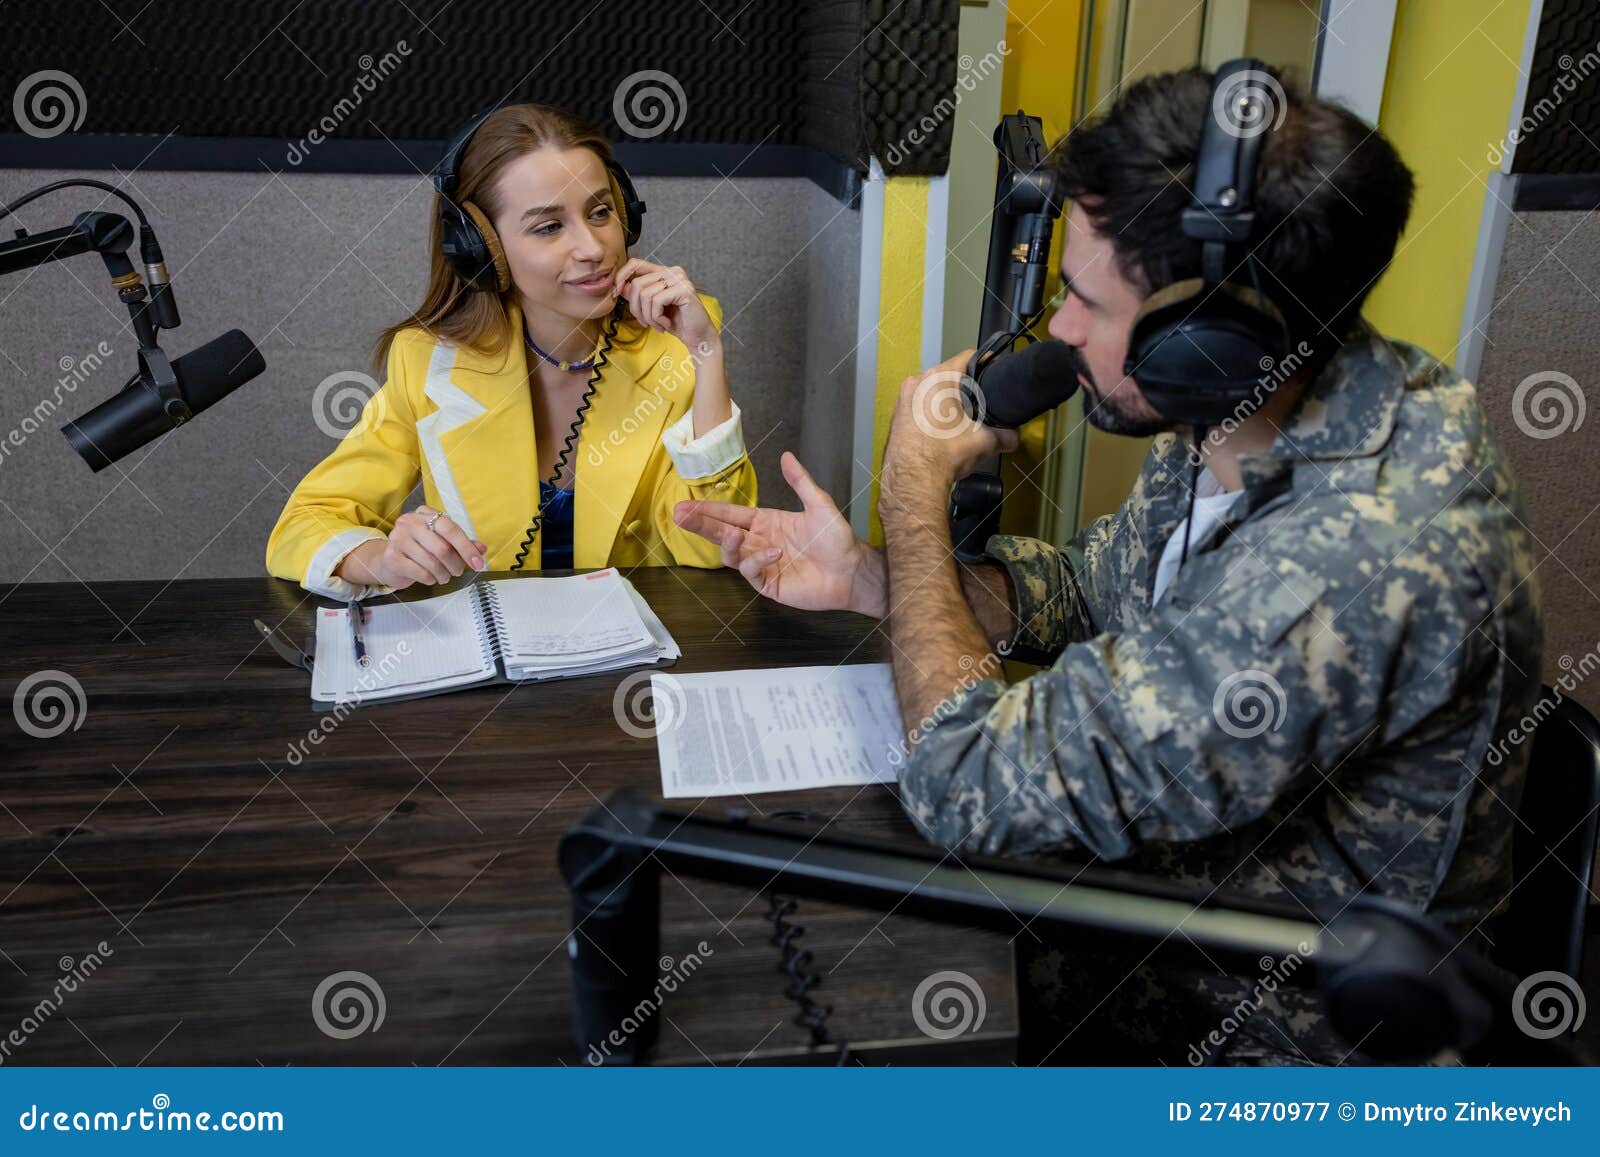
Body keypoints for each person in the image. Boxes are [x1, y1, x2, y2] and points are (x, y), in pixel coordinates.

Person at [673, 65, 1543, 1065]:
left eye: (1086, 302)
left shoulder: (1348, 561)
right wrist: (875, 579)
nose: (1060, 332)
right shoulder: (1249, 404)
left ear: (1206, 340)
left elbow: (965, 784)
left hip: (1249, 1041)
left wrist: (911, 499)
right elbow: (1097, 589)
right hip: (1142, 918)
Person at [267, 104, 756, 600]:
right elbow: (303, 526)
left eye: (600, 212)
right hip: (492, 660)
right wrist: (381, 559)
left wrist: (705, 351)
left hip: (637, 656)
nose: (592, 247)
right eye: (548, 227)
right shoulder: (427, 363)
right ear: (482, 248)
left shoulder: (675, 344)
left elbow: (713, 547)